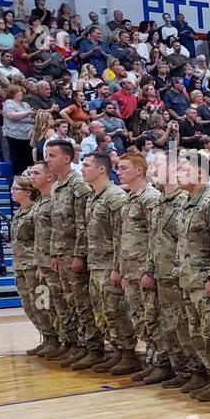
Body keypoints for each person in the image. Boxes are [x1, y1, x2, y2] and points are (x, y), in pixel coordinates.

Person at [176, 150, 210, 400]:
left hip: (204, 279)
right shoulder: (187, 200)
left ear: (200, 173)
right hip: (189, 278)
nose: (178, 174)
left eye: (184, 170)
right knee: (196, 331)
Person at [44, 138, 102, 368]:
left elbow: (82, 222)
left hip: (75, 253)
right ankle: (77, 344)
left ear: (66, 159)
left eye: (52, 155)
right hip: (61, 252)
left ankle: (93, 347)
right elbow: (56, 225)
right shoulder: (58, 186)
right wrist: (54, 254)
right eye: (47, 155)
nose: (48, 159)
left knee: (82, 302)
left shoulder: (78, 185)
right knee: (68, 302)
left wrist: (79, 254)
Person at [80, 151, 135, 373]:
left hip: (109, 264)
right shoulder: (94, 196)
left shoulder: (114, 197)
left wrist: (117, 268)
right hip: (96, 263)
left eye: (86, 165)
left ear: (101, 169)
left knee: (116, 310)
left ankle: (129, 354)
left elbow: (122, 235)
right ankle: (117, 350)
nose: (82, 169)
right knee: (102, 312)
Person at [147, 152, 194, 386]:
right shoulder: (159, 201)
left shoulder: (184, 200)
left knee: (185, 325)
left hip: (178, 274)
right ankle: (180, 370)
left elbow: (185, 241)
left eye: (158, 165)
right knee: (169, 324)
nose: (152, 168)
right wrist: (149, 269)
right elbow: (153, 239)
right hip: (161, 272)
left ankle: (196, 372)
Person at [116, 152, 162, 379]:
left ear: (139, 170)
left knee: (152, 317)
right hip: (130, 268)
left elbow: (155, 236)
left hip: (143, 268)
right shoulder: (130, 197)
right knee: (140, 318)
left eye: (123, 168)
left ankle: (161, 363)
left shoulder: (150, 197)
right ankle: (152, 361)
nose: (118, 171)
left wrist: (149, 269)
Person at [11, 173, 58, 354]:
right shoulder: (18, 213)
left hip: (33, 265)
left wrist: (40, 264)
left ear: (28, 191)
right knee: (29, 306)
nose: (12, 191)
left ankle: (54, 339)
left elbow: (40, 239)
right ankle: (46, 338)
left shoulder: (35, 212)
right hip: (20, 265)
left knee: (41, 305)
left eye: (16, 188)